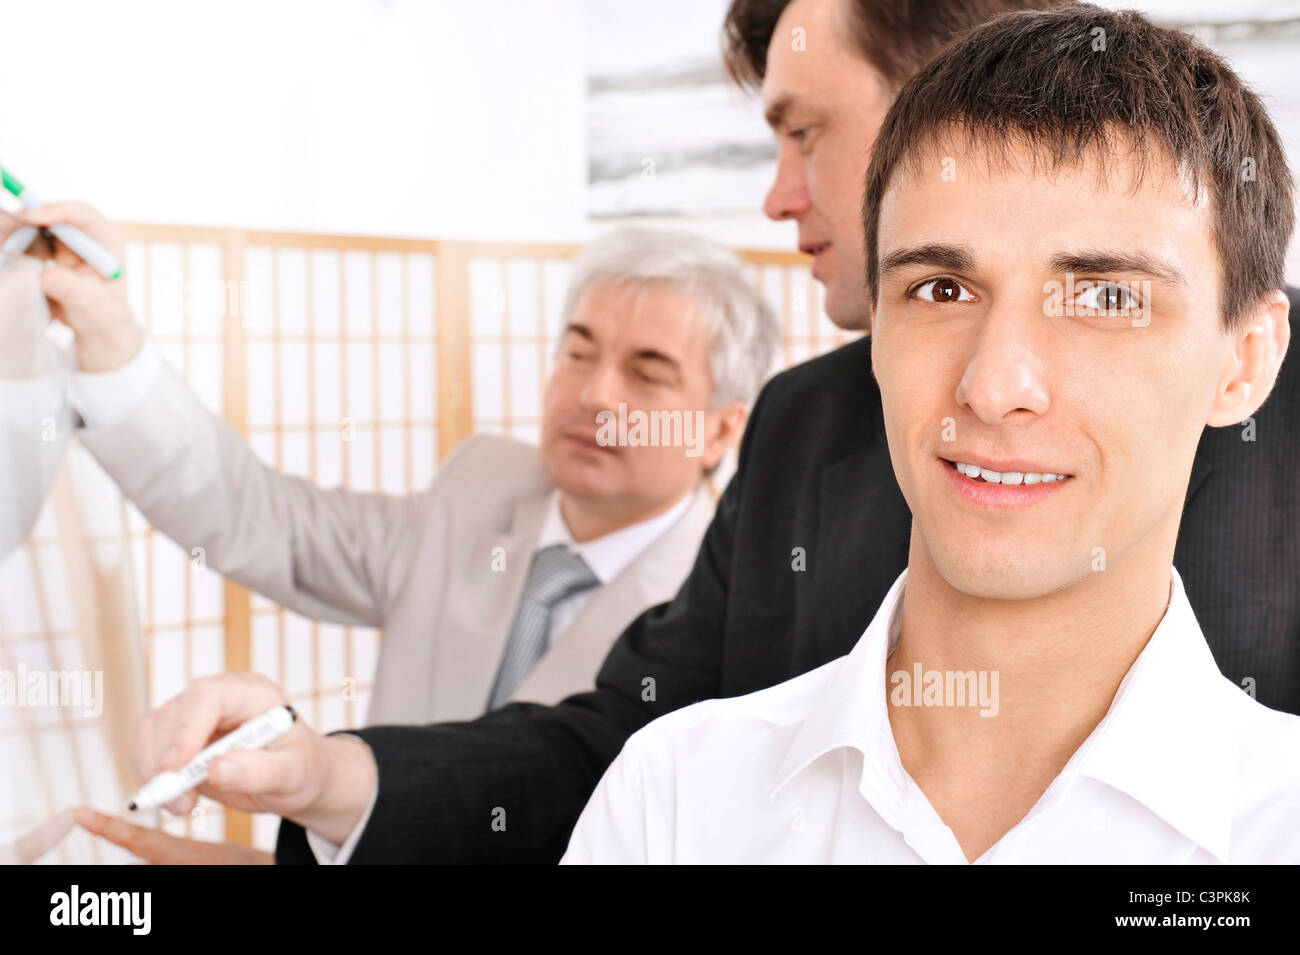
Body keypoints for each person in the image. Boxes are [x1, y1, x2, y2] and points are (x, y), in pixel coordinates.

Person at [27, 0, 1300, 864]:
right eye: (942, 289)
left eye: (805, 129)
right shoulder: (782, 460)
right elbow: (622, 742)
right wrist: (321, 777)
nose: (1002, 384)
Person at [563, 3, 1299, 864]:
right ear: (873, 323)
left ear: (1243, 363)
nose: (993, 387)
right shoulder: (673, 800)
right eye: (943, 289)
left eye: (1106, 296)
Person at [0, 218, 774, 862]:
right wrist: (113, 351)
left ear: (722, 428)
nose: (596, 394)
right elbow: (267, 522)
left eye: (648, 373)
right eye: (577, 351)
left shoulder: (730, 610)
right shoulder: (484, 488)